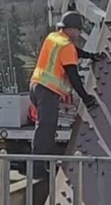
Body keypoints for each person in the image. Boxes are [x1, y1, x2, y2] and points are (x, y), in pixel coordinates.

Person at [29, 11, 103, 162]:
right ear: (71, 29)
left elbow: (74, 52)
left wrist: (89, 55)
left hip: (35, 85)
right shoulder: (67, 46)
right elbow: (73, 77)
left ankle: (44, 160)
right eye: (78, 30)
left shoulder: (53, 38)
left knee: (44, 126)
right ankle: (38, 163)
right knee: (47, 127)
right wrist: (87, 99)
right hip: (48, 91)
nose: (79, 34)